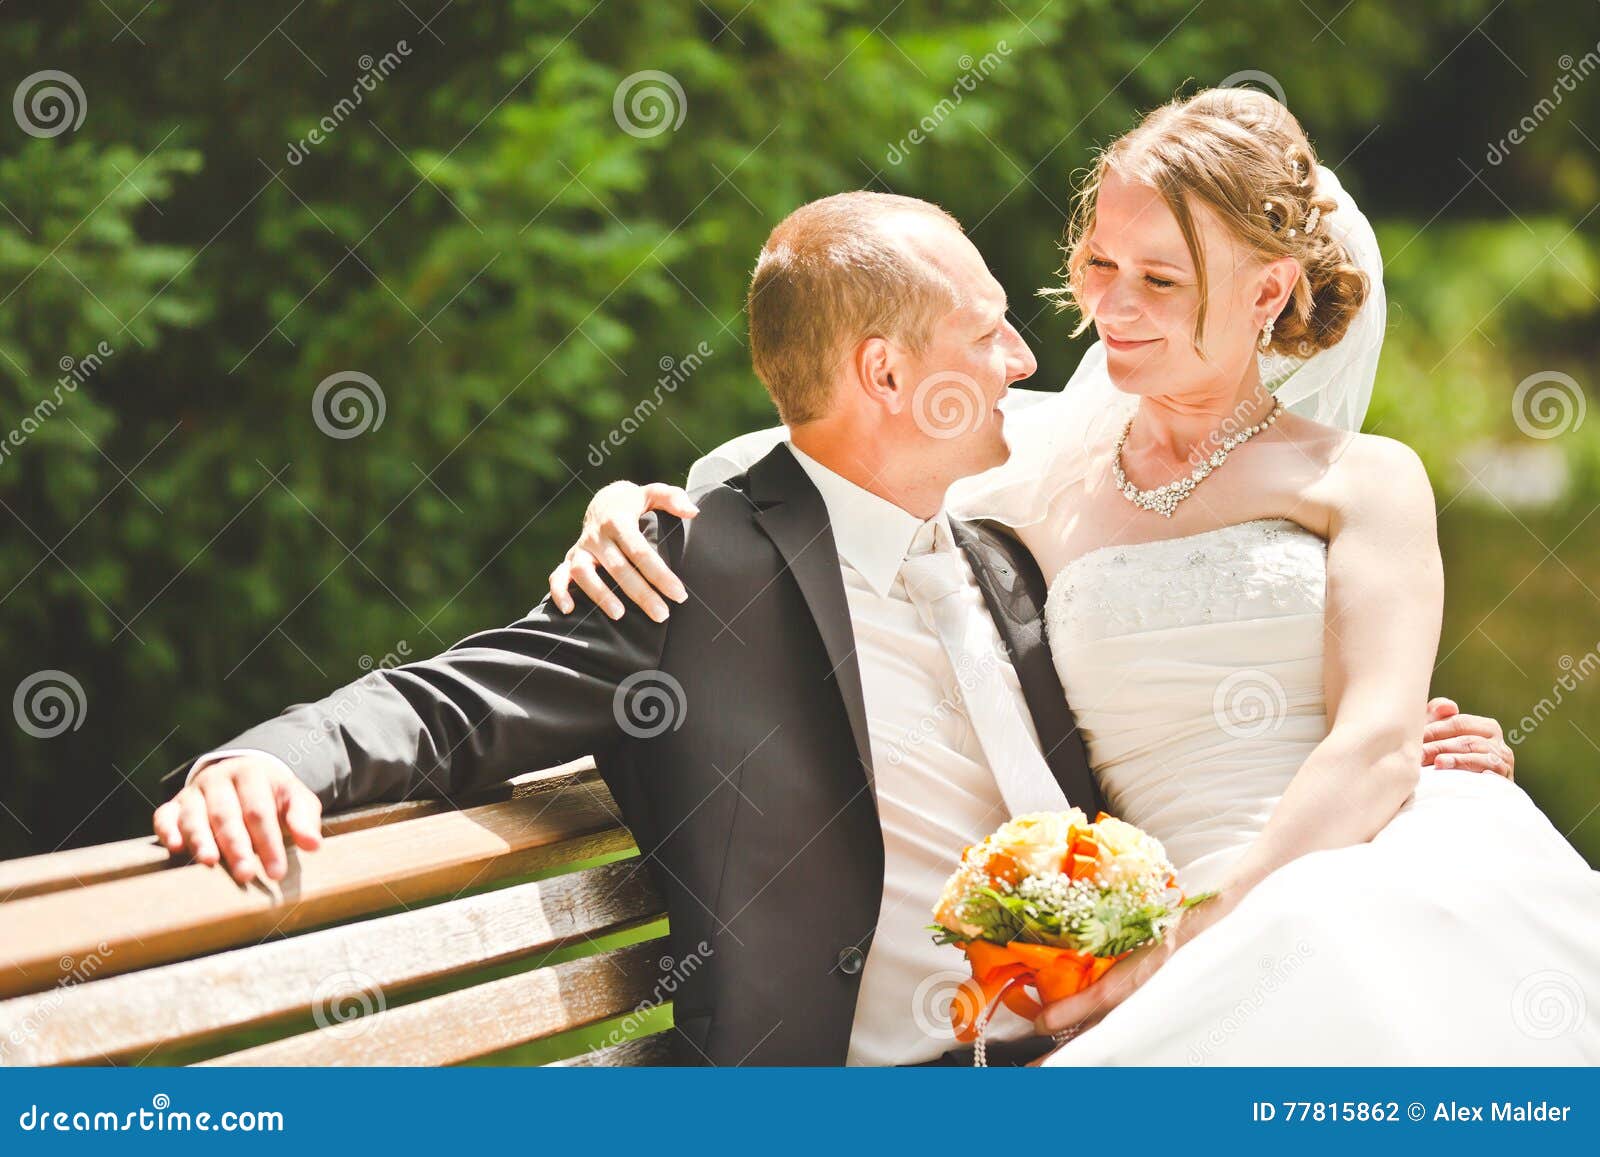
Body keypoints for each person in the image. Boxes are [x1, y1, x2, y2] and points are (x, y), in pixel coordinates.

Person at [157, 94, 1516, 1068]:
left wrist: (1397, 748)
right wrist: (270, 760)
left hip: (1098, 1031)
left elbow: (1208, 698)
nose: (1038, 362)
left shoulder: (1007, 546)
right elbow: (448, 708)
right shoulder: (697, 572)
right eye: (995, 334)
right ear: (886, 377)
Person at [546, 89, 1598, 1063]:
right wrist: (626, 510)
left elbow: (1373, 744)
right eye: (1098, 264)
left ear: (1267, 288)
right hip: (1163, 938)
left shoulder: (1363, 480)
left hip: (1344, 864)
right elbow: (806, 466)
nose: (1111, 308)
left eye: (1159, 279)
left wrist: (1195, 921)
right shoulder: (1029, 477)